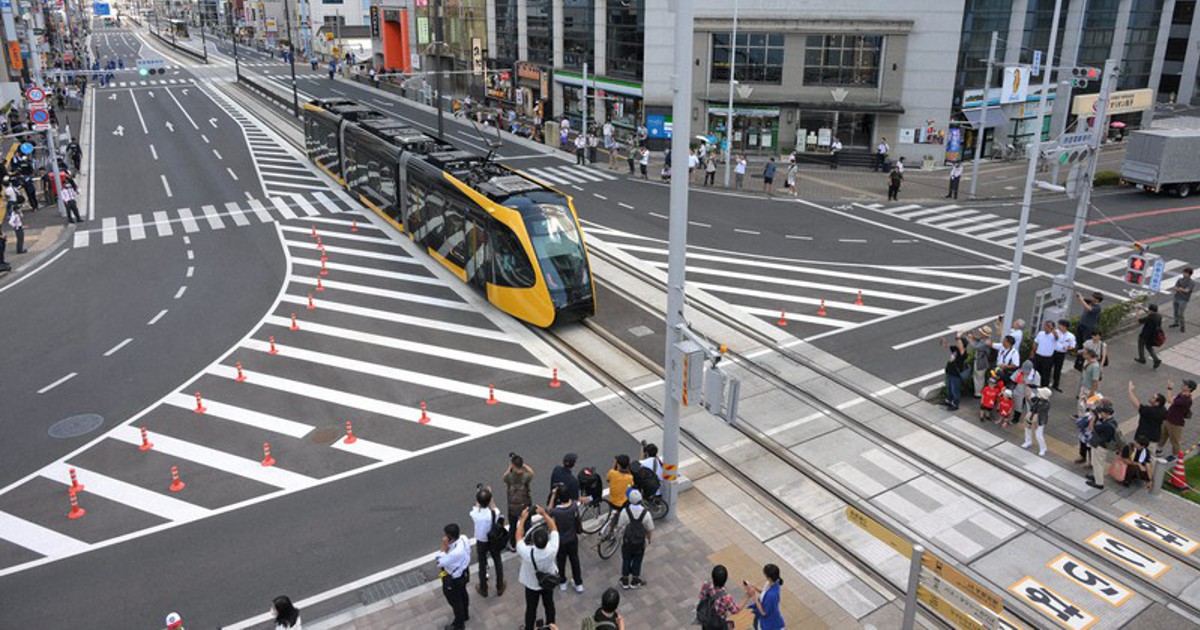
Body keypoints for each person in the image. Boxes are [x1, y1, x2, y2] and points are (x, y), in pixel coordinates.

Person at [516, 505, 559, 630]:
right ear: (547, 540)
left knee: (531, 609)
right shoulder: (552, 549)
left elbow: (518, 537)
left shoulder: (527, 552)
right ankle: (551, 626)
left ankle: (529, 627)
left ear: (533, 541)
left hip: (531, 584)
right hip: (548, 580)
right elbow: (554, 529)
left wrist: (523, 519)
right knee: (549, 604)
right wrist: (544, 514)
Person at [469, 485, 506, 597]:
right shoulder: (494, 513)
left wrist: (480, 494)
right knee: (497, 561)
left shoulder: (475, 514)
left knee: (482, 564)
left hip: (481, 541)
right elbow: (493, 506)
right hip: (493, 540)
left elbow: (477, 506)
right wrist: (490, 495)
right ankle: (500, 586)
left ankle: (483, 588)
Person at [435, 523, 471, 630]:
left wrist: (443, 548)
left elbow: (439, 562)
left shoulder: (455, 553)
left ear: (450, 537)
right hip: (464, 572)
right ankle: (465, 614)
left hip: (454, 579)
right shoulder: (463, 539)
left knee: (455, 601)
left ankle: (459, 624)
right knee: (463, 593)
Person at [548, 484, 583, 593]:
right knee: (575, 560)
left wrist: (553, 495)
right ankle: (578, 583)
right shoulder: (574, 506)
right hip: (572, 538)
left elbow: (548, 512)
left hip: (561, 541)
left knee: (561, 561)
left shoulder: (556, 511)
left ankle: (562, 582)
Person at [617, 489, 653, 589]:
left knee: (626, 560)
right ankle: (635, 580)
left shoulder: (625, 512)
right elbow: (650, 529)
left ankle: (625, 580)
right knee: (638, 560)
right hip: (640, 543)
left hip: (627, 542)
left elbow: (620, 526)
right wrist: (649, 539)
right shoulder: (646, 513)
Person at [1085, 403, 1121, 490]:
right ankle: (1096, 476)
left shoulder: (1106, 425)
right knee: (1097, 463)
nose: (1100, 414)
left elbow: (1092, 428)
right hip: (1102, 445)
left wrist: (1093, 418)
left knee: (1098, 464)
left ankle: (1099, 483)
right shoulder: (1112, 421)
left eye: (1101, 412)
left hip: (1100, 447)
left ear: (1106, 413)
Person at [696, 565, 742, 630]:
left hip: (706, 620)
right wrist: (747, 596)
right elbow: (735, 610)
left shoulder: (706, 584)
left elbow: (701, 597)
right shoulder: (726, 597)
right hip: (718, 624)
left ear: (712, 577)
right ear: (725, 580)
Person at [504, 454, 535, 550]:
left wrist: (510, 467)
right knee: (527, 523)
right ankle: (528, 541)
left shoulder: (509, 477)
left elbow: (504, 477)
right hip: (525, 504)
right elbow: (532, 472)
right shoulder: (526, 476)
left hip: (512, 506)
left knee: (513, 525)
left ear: (513, 465)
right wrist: (523, 465)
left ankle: (513, 544)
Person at [744, 564, 786, 630]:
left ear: (768, 577)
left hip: (769, 624)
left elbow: (763, 612)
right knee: (755, 623)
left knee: (756, 624)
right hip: (772, 618)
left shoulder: (771, 595)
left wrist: (754, 596)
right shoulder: (774, 582)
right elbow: (764, 592)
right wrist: (754, 587)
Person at [1161, 379, 1195, 457]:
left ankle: (1176, 457)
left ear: (1190, 388)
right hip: (1168, 418)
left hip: (1176, 423)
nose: (1183, 385)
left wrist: (1169, 389)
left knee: (1175, 441)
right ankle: (1158, 450)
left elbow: (1169, 401)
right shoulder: (1182, 394)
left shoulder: (1186, 400)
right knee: (1162, 436)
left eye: (1185, 385)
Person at [1128, 380, 1167, 450]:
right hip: (1154, 438)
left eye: (1153, 397)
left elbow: (1136, 403)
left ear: (1157, 403)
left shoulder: (1150, 411)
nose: (1151, 397)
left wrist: (1130, 391)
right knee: (1151, 454)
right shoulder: (1163, 410)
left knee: (1138, 453)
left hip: (1143, 438)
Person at [940, 333, 968, 411]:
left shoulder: (963, 353)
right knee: (949, 388)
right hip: (949, 372)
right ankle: (949, 400)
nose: (958, 343)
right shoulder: (956, 349)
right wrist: (944, 342)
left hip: (955, 374)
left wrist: (959, 337)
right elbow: (947, 346)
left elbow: (961, 347)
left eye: (960, 342)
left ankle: (955, 404)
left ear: (963, 345)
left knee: (955, 390)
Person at [1134, 303, 1163, 369]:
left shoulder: (1149, 318)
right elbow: (1149, 313)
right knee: (1149, 347)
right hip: (1154, 335)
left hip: (1145, 334)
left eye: (1149, 309)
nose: (1148, 310)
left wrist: (1137, 311)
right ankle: (1156, 360)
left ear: (1151, 310)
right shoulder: (1159, 315)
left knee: (1141, 345)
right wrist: (1142, 308)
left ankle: (1142, 359)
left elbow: (1138, 320)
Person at [1030, 320, 1059, 388]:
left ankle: (1044, 387)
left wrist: (1052, 330)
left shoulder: (1053, 335)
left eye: (1048, 326)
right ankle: (1033, 384)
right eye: (1045, 325)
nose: (1045, 327)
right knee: (1034, 371)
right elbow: (1035, 342)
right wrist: (1033, 352)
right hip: (1038, 356)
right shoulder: (1041, 333)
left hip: (1047, 358)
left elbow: (1057, 337)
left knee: (1045, 373)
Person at [1023, 387, 1051, 456]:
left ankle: (1043, 448)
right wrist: (1029, 393)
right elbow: (1032, 399)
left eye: (1040, 393)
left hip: (1040, 421)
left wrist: (1034, 422)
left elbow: (1039, 413)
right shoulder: (1038, 398)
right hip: (1031, 416)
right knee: (1027, 428)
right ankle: (1028, 441)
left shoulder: (1046, 404)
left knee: (1038, 435)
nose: (1038, 393)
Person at [1051, 319, 1076, 393]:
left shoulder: (1071, 336)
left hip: (1061, 354)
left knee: (1057, 369)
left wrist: (1067, 348)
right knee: (1048, 367)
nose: (1059, 326)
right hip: (1052, 352)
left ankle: (1055, 385)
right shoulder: (1056, 332)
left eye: (1060, 325)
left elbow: (1073, 346)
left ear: (1064, 326)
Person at [970, 326, 994, 395]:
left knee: (979, 377)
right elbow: (979, 340)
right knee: (979, 377)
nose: (980, 333)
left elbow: (976, 346)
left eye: (981, 332)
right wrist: (973, 337)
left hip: (981, 362)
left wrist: (971, 339)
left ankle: (978, 393)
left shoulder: (985, 342)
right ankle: (979, 391)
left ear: (984, 334)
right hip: (981, 361)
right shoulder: (985, 339)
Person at [1172, 267, 1193, 332]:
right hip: (1176, 297)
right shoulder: (1180, 280)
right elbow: (1174, 287)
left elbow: (1187, 290)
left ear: (1189, 274)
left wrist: (1180, 289)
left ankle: (1182, 326)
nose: (1184, 274)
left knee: (1180, 313)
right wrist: (1180, 289)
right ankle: (1176, 323)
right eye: (1184, 272)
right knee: (1175, 311)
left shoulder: (1191, 282)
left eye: (1185, 273)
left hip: (1184, 299)